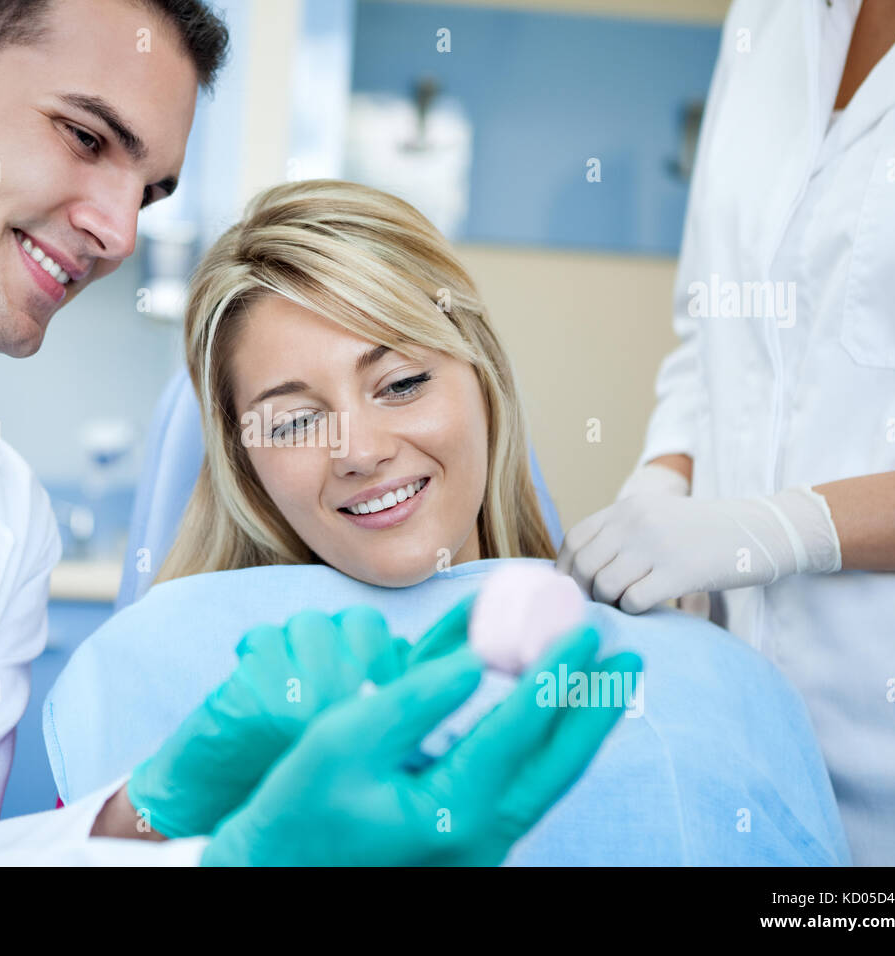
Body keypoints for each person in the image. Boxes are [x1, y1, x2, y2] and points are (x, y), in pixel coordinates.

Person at [0, 0, 616, 867]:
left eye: (149, 189)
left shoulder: (1, 508)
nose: (119, 230)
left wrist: (146, 811)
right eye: (84, 137)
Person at [47, 178, 847, 865]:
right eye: (293, 422)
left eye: (400, 383)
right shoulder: (161, 668)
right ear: (242, 462)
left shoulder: (702, 677)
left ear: (483, 381)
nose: (357, 451)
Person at [554, 0, 895, 864]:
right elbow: (712, 331)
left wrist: (777, 529)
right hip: (750, 719)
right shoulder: (767, 22)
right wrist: (664, 484)